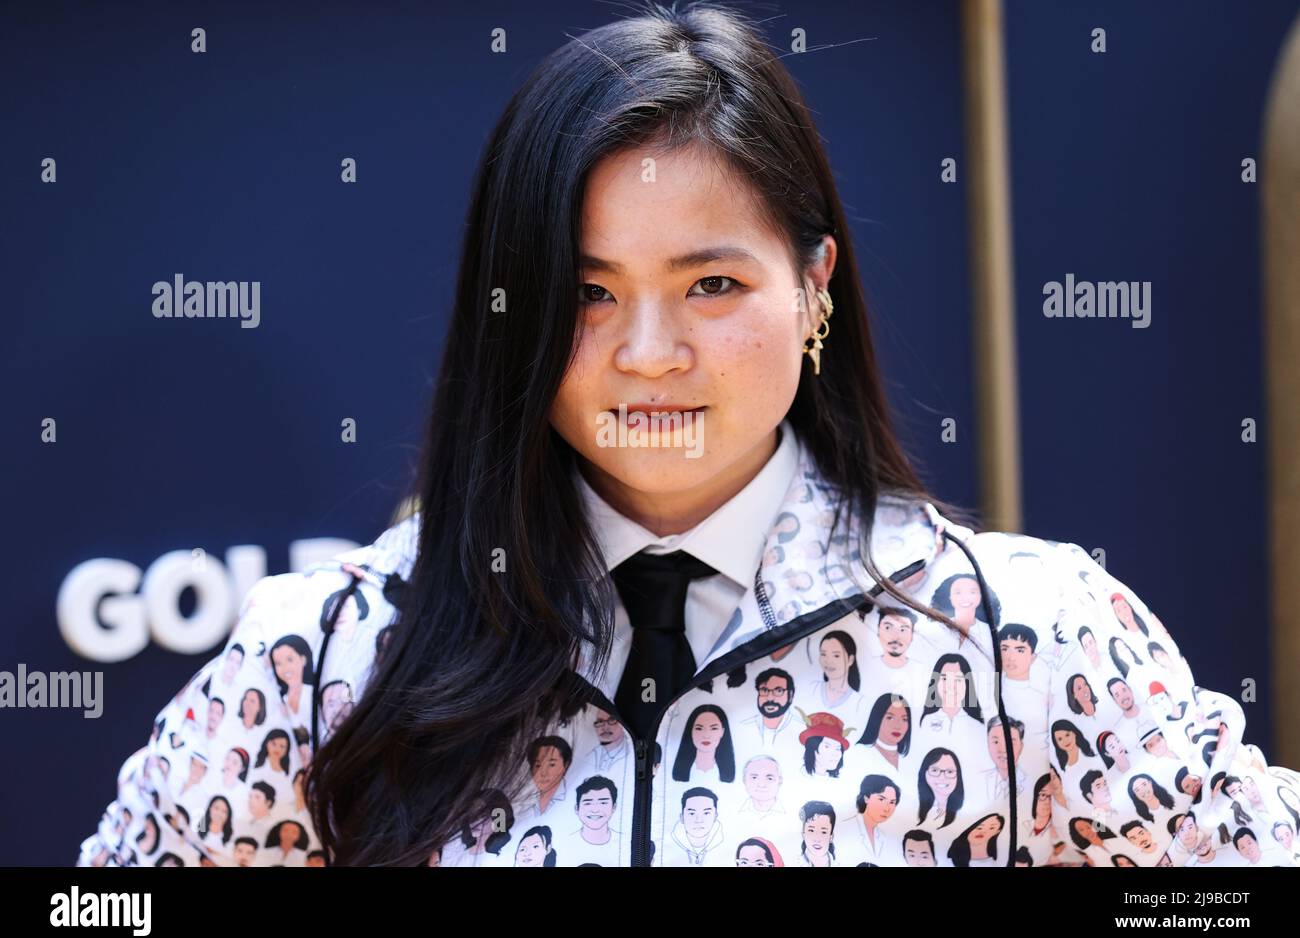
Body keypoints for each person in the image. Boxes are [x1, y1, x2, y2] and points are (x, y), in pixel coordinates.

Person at [76, 0, 1299, 868]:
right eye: (587, 290)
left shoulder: (1023, 642)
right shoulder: (334, 654)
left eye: (710, 286)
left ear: (815, 288)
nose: (646, 351)